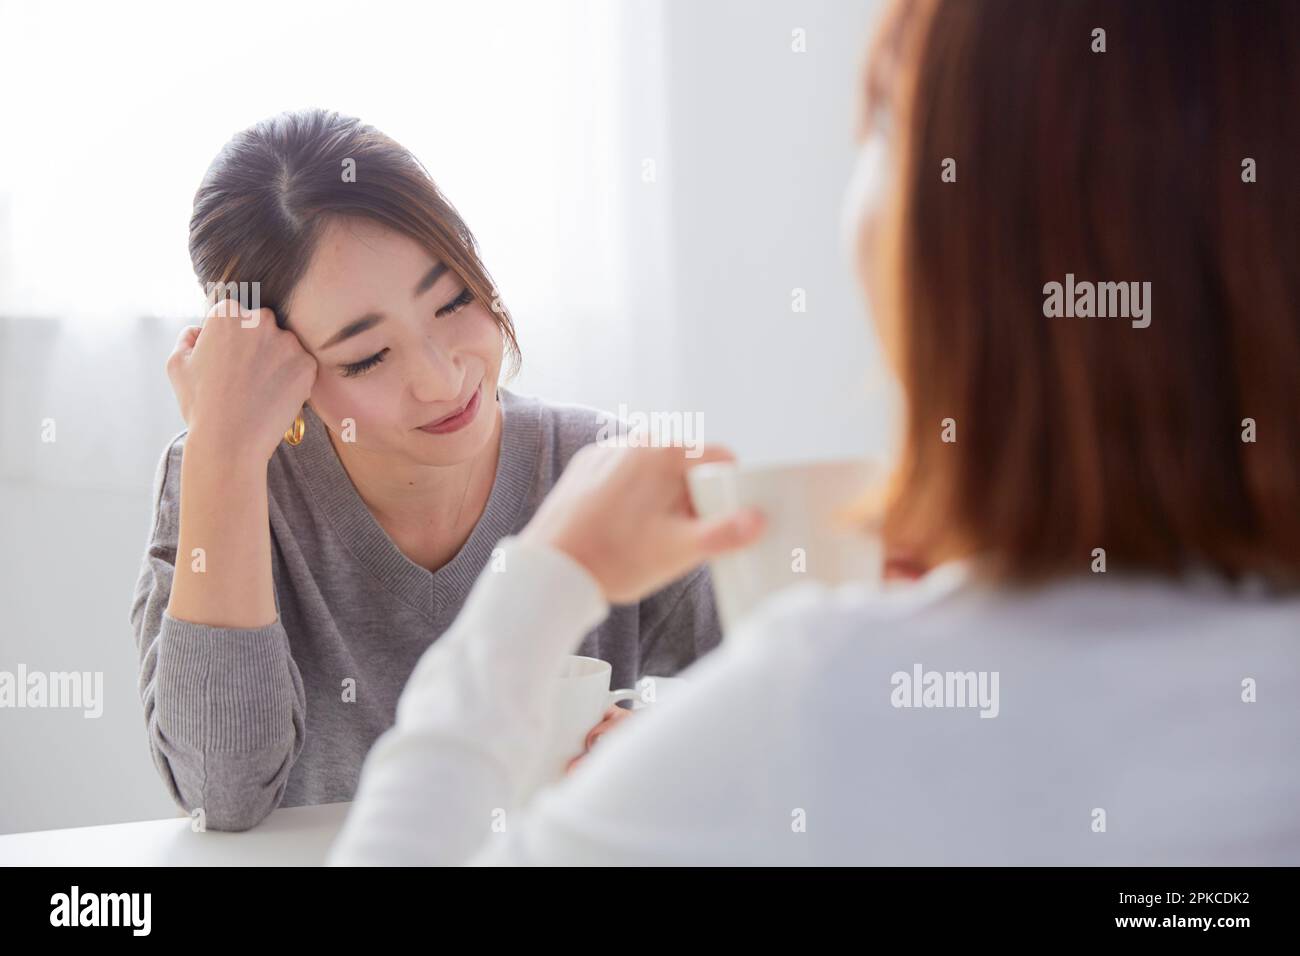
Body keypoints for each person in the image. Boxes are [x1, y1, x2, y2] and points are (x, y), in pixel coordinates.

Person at [327, 0, 1300, 865]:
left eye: (881, 117)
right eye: (364, 354)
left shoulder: (823, 697)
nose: (435, 374)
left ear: (951, 234)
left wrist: (542, 580)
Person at [129, 110, 722, 832]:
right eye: (367, 356)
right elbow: (220, 793)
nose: (442, 379)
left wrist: (666, 753)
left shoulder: (603, 471)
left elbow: (759, 742)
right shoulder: (228, 480)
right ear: (279, 365)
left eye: (453, 302)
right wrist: (222, 451)